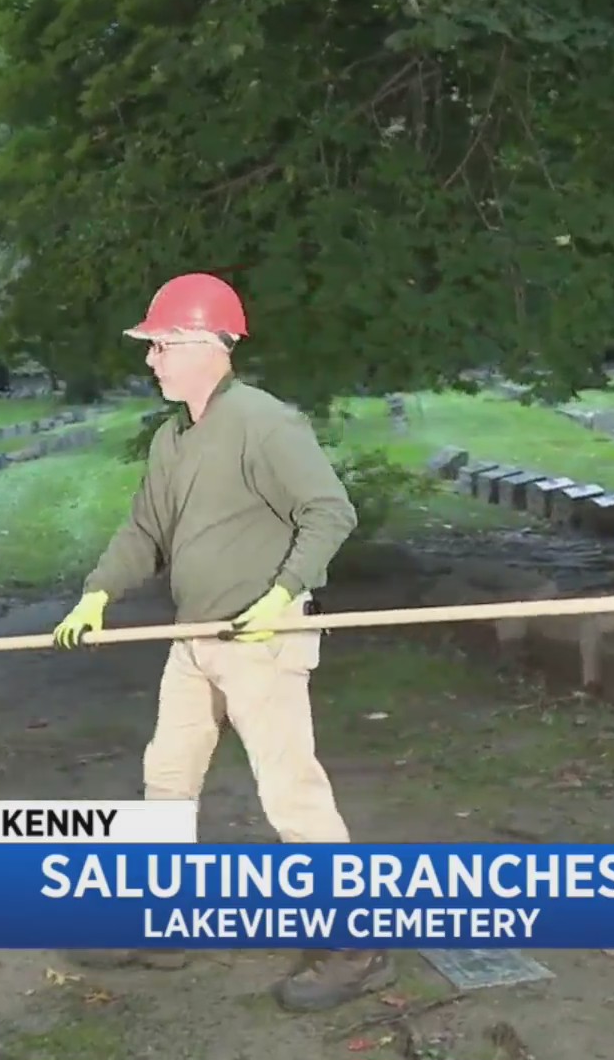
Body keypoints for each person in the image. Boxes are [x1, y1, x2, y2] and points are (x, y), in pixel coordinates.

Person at [49, 273, 394, 1012]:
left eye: (163, 345)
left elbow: (330, 513)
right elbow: (145, 529)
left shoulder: (266, 425)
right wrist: (96, 592)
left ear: (209, 346)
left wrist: (278, 598)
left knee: (291, 794)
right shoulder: (173, 439)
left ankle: (355, 949)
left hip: (262, 639)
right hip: (194, 638)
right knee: (166, 781)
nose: (152, 361)